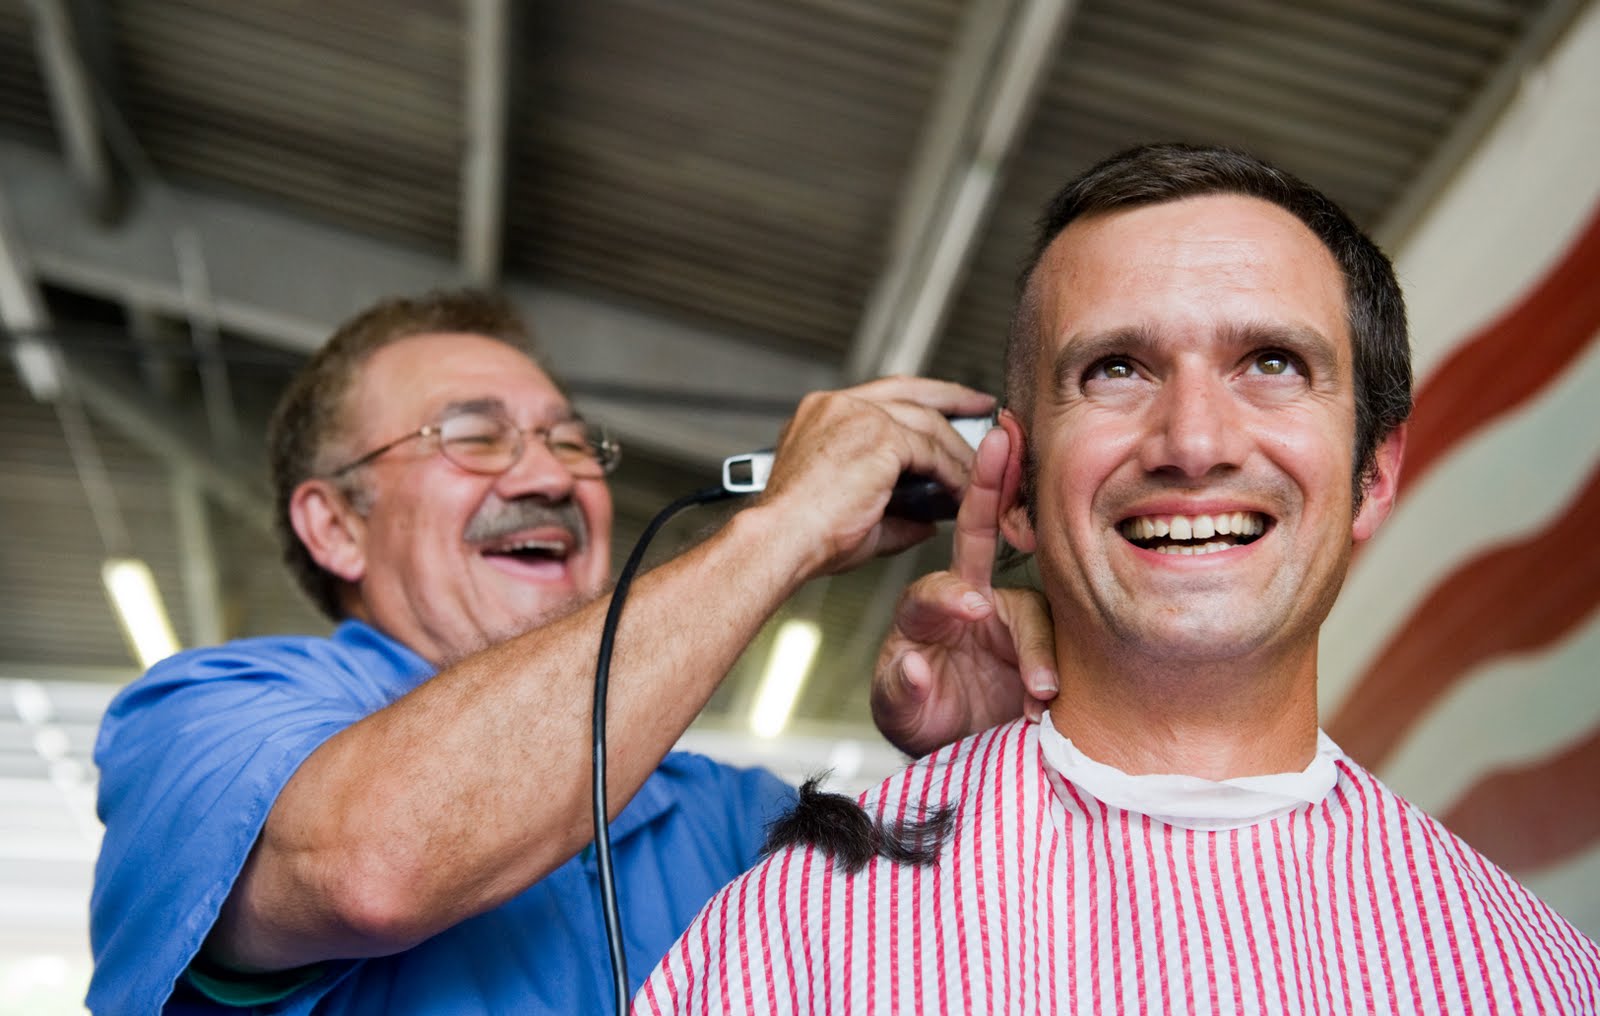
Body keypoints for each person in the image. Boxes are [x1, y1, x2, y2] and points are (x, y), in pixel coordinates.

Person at [634, 143, 1600, 1015]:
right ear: (1014, 487)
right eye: (1116, 370)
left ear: (1373, 476)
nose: (1194, 441)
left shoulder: (1541, 978)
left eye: (1270, 362)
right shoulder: (802, 939)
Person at [87, 289, 1056, 1014]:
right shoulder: (201, 715)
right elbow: (372, 866)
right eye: (472, 435)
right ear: (335, 523)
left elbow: (998, 968)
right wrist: (781, 529)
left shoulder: (724, 815)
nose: (550, 471)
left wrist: (1002, 768)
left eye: (570, 440)